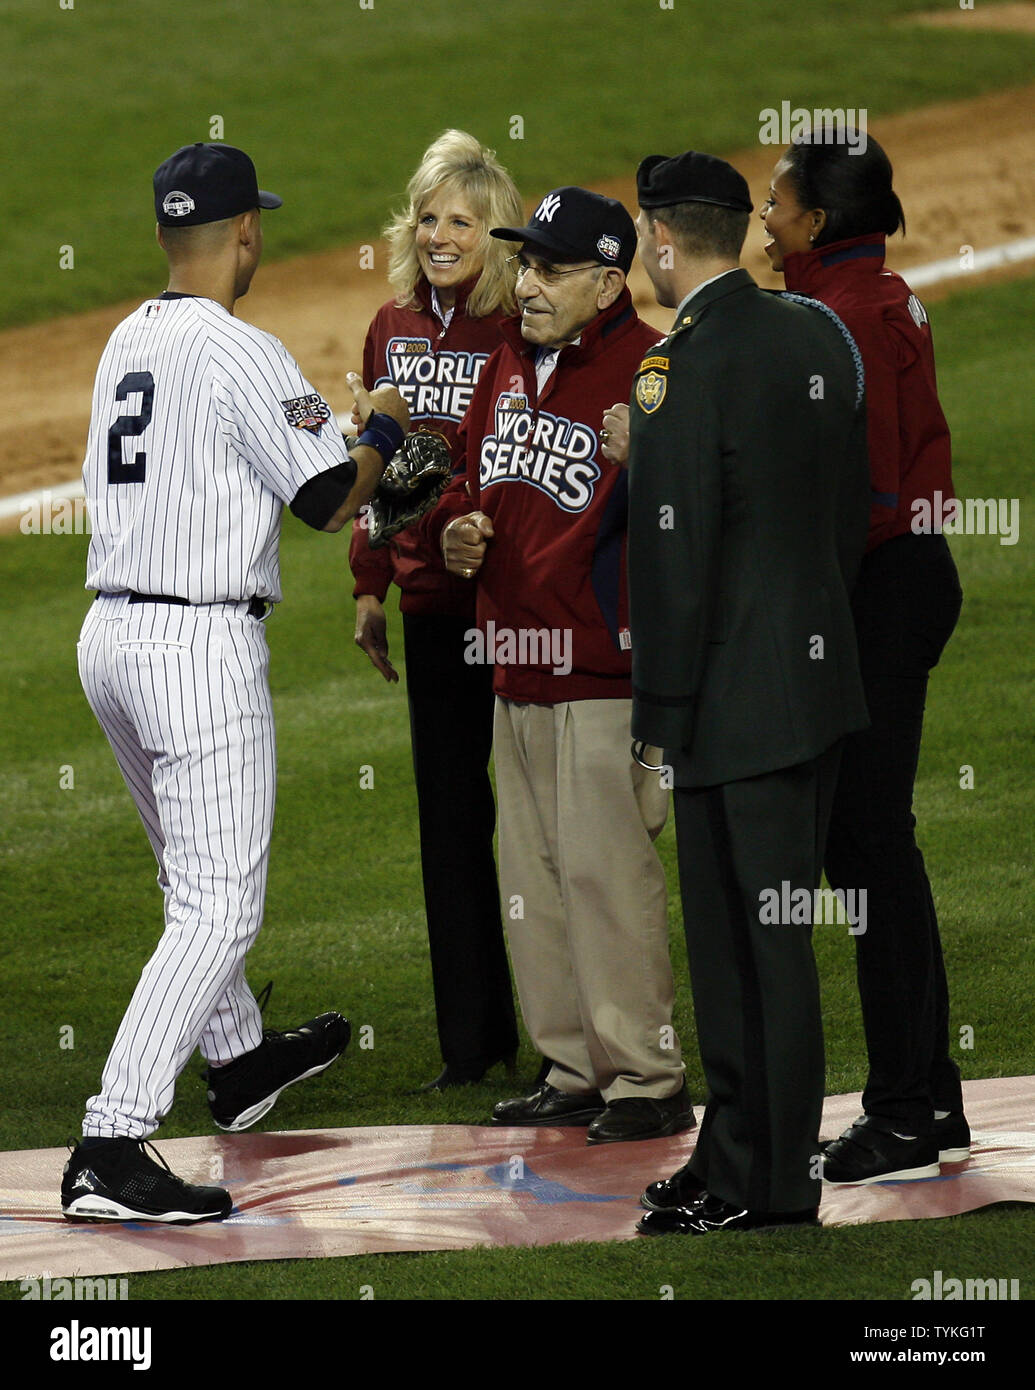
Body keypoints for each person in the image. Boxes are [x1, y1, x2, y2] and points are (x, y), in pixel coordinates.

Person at [62, 142, 409, 1224]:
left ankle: (242, 1060)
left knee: (187, 878)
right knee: (218, 905)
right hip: (193, 651)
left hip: (109, 639)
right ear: (246, 234)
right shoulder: (241, 348)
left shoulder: (127, 336)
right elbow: (325, 499)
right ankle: (112, 1141)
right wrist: (387, 431)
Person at [625, 151, 871, 1234]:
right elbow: (849, 506)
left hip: (729, 702)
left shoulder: (676, 370)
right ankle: (747, 1158)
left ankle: (757, 1185)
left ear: (667, 241)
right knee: (778, 940)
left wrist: (660, 717)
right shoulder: (816, 331)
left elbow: (674, 565)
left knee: (737, 951)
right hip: (816, 684)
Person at [422, 187, 693, 1144]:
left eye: (548, 268)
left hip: (603, 675)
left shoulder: (651, 370)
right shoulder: (505, 361)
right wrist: (457, 525)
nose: (525, 283)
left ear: (608, 282)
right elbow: (467, 472)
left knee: (605, 879)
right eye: (525, 262)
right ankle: (574, 1064)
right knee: (530, 877)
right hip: (514, 665)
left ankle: (647, 1080)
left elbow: (692, 520)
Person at [760, 130, 969, 1184]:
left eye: (778, 200)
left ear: (820, 220)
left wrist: (805, 623)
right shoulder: (873, 294)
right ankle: (930, 1092)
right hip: (904, 577)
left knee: (868, 848)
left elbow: (869, 496)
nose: (764, 215)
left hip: (876, 586)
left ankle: (899, 1113)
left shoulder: (836, 318)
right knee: (883, 845)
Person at [348, 130, 522, 1091]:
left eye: (464, 219)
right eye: (429, 217)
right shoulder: (391, 327)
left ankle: (571, 1039)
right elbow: (380, 470)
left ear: (498, 236)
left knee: (540, 824)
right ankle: (474, 1042)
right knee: (451, 820)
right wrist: (370, 581)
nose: (442, 233)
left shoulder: (517, 326)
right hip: (430, 605)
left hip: (512, 605)